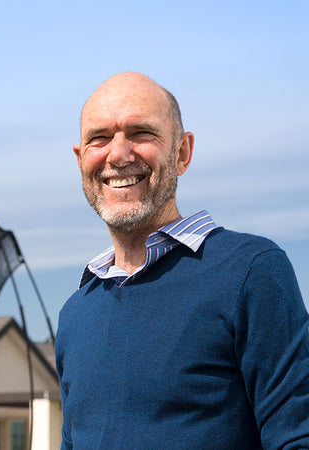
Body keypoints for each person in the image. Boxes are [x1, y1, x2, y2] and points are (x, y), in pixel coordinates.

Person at [56, 72, 309, 449]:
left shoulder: (251, 271)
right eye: (100, 138)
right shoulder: (76, 312)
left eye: (141, 133)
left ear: (182, 153)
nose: (119, 154)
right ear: (81, 159)